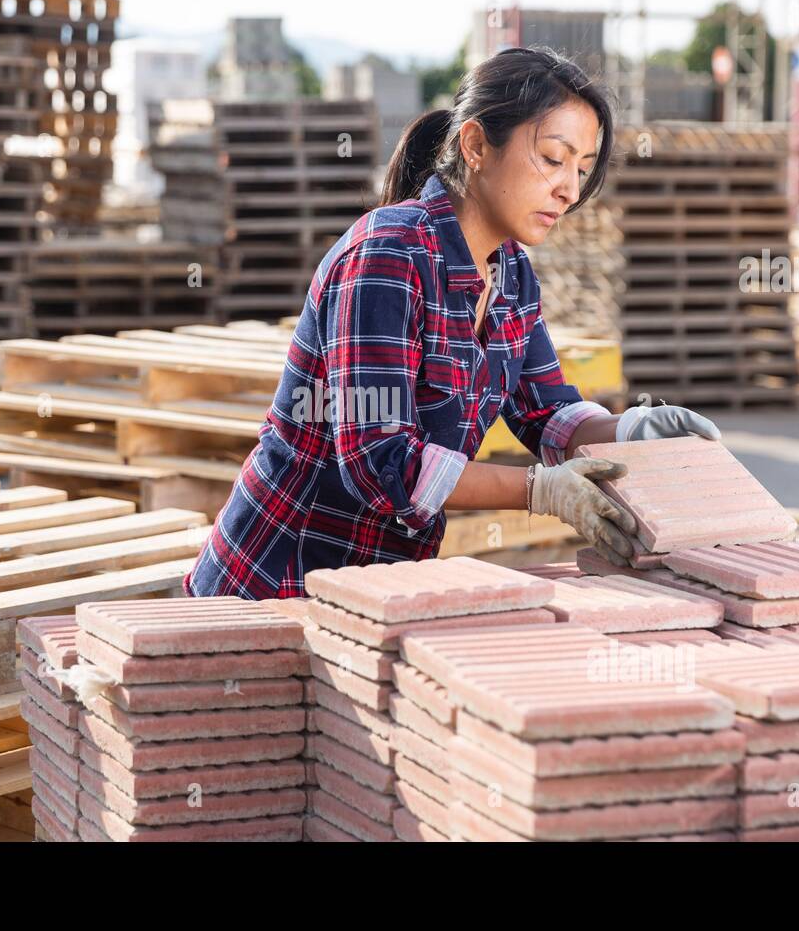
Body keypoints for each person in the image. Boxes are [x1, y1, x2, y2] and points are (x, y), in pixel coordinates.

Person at [184, 46, 720, 600]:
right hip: (272, 583)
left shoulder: (511, 274)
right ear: (476, 145)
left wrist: (633, 431)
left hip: (378, 589)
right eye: (554, 158)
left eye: (582, 169)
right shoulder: (387, 256)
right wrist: (541, 490)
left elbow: (547, 414)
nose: (570, 189)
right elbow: (377, 461)